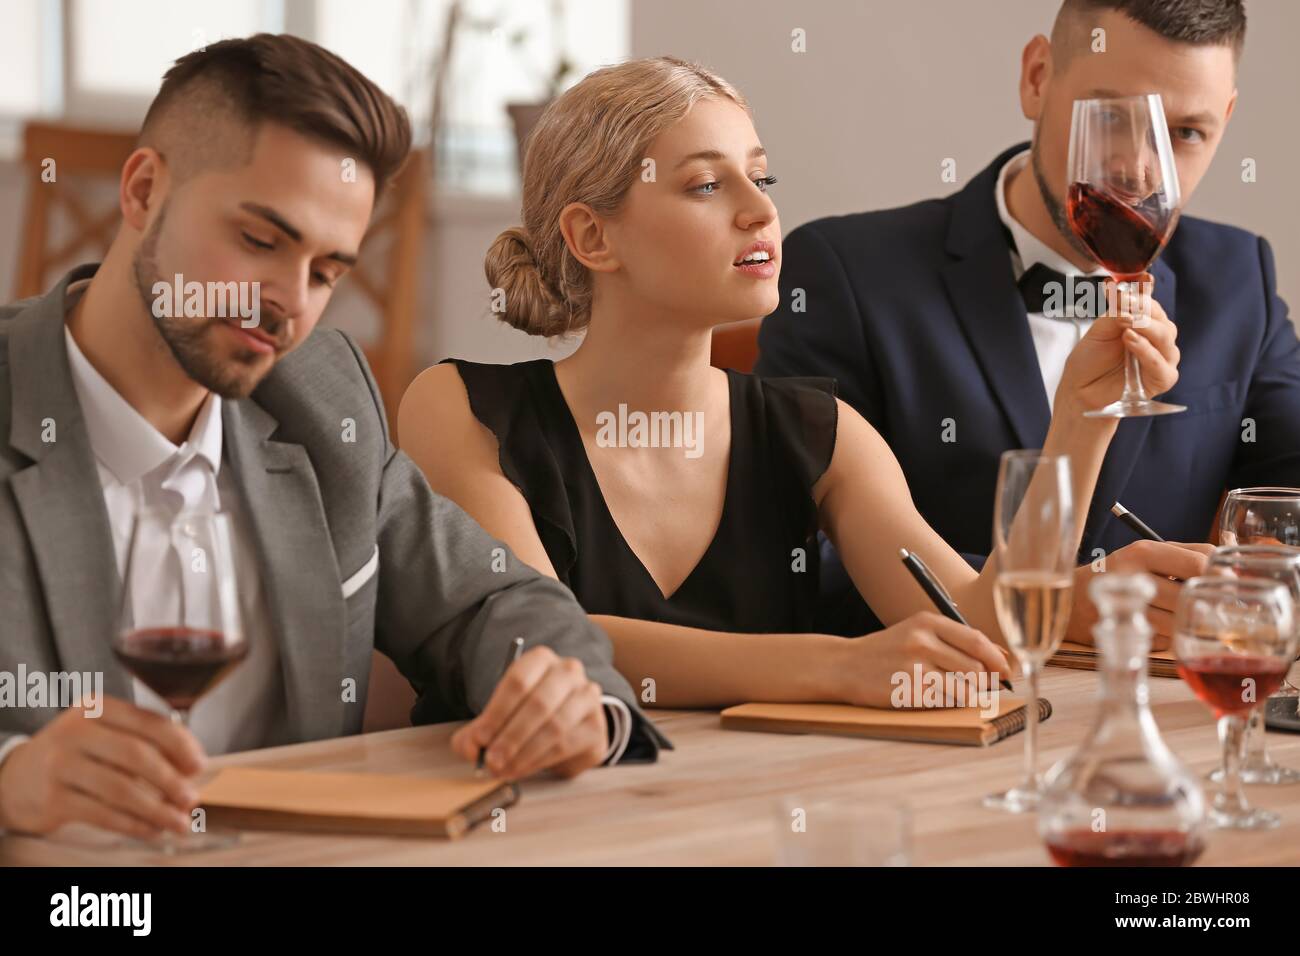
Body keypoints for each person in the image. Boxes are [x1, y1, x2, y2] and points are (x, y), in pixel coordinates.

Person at [0, 34, 668, 842]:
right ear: (143, 191)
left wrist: (566, 696)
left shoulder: (321, 401)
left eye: (325, 272)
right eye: (259, 240)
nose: (290, 304)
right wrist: (11, 778)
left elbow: (499, 599)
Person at [398, 56, 1179, 712]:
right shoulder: (459, 410)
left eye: (762, 178)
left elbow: (997, 632)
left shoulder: (821, 431)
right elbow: (538, 640)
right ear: (593, 236)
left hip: (752, 813)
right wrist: (838, 665)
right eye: (707, 186)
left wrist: (1084, 416)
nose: (759, 211)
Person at [756, 0, 1284, 642]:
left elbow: (1284, 504)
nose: (1141, 171)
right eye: (1112, 116)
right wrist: (1050, 605)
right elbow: (797, 565)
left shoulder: (1238, 277)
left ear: (1225, 121)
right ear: (1037, 77)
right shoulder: (844, 272)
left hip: (1170, 713)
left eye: (1186, 134)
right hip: (947, 717)